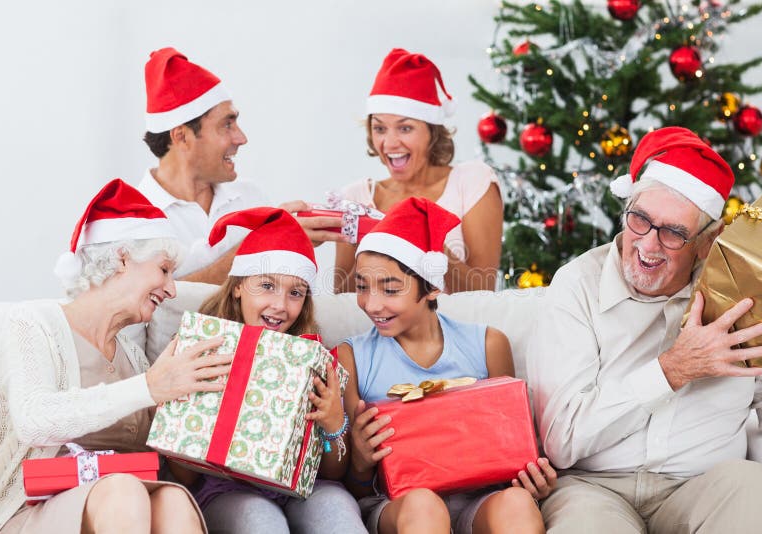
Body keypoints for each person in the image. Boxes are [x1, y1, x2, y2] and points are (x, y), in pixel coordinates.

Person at [528, 126, 762, 533]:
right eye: (640, 220)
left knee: (754, 484)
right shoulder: (578, 285)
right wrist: (672, 370)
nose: (648, 245)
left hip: (699, 486)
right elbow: (561, 440)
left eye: (673, 233)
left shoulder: (738, 295)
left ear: (707, 242)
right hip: (594, 489)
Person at [0, 179, 234, 533]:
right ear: (122, 259)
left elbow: (168, 466)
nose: (172, 289)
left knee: (173, 498)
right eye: (164, 270)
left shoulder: (133, 357)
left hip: (122, 504)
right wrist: (149, 388)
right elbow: (34, 420)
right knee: (123, 490)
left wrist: (199, 412)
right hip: (33, 509)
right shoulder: (33, 322)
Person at [336, 197, 555, 534]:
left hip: (479, 502)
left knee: (517, 504)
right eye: (362, 287)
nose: (372, 304)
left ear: (432, 287)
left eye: (390, 289)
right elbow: (355, 488)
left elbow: (511, 454)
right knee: (424, 507)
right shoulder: (351, 357)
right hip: (400, 506)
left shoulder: (488, 345)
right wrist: (362, 461)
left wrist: (531, 480)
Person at [166, 207, 365, 534]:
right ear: (238, 286)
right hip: (228, 490)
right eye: (267, 286)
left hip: (308, 488)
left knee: (336, 512)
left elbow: (333, 472)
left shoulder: (314, 360)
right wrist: (177, 410)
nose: (280, 305)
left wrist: (333, 423)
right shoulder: (201, 350)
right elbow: (184, 476)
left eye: (295, 293)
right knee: (260, 520)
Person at [139, 47, 341, 284]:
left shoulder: (251, 197)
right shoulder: (137, 219)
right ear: (182, 137)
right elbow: (161, 302)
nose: (241, 138)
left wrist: (290, 242)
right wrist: (264, 240)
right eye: (227, 125)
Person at [334, 48, 503, 294]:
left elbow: (482, 293)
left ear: (432, 132)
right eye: (379, 129)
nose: (389, 143)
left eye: (405, 128)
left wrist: (425, 237)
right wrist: (373, 239)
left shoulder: (472, 183)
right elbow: (343, 301)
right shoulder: (356, 197)